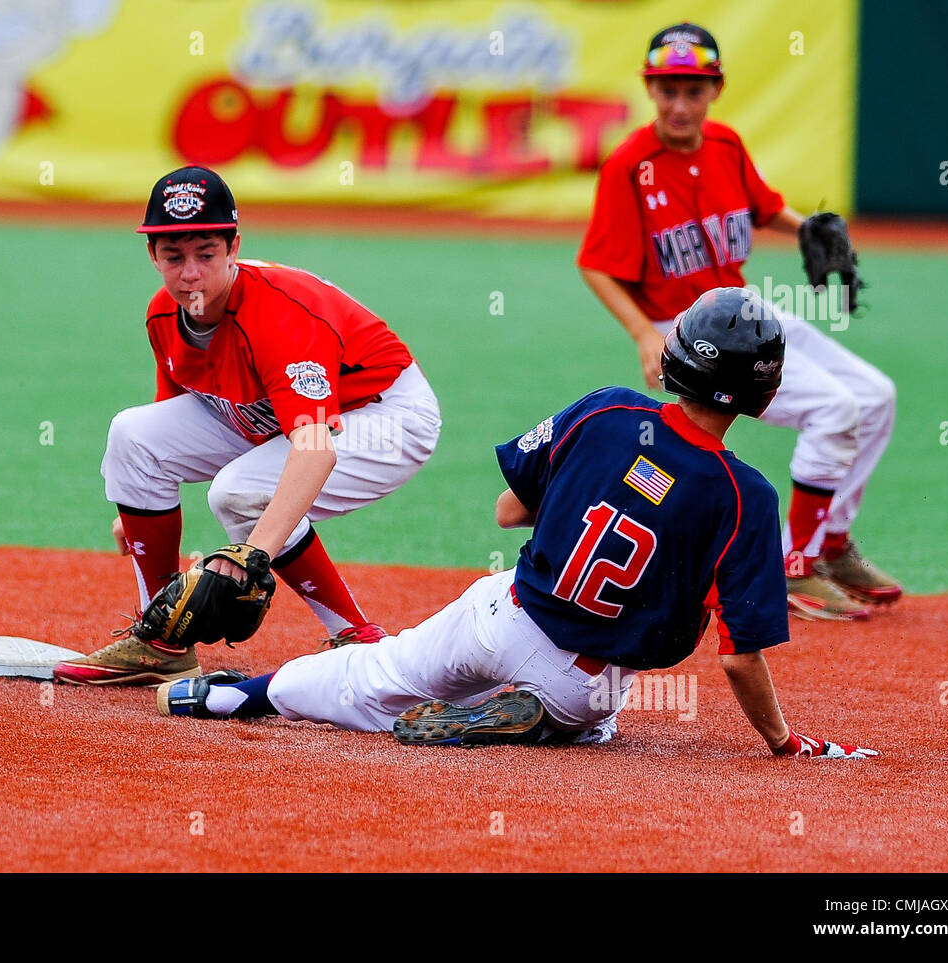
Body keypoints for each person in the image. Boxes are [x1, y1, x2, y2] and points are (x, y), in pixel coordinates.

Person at [153, 288, 879, 760]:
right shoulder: (743, 495)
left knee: (375, 674)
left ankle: (229, 694)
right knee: (598, 721)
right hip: (583, 678)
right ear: (764, 391)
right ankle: (542, 718)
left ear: (676, 356)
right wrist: (784, 742)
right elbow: (739, 656)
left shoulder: (606, 407)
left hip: (500, 613)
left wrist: (593, 489)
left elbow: (508, 510)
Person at [54, 166, 442, 685]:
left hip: (381, 414)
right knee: (132, 434)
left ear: (234, 246)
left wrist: (253, 553)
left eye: (206, 254)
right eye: (173, 256)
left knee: (238, 492)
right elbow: (177, 398)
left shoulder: (281, 316)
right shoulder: (163, 314)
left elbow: (316, 449)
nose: (189, 272)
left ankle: (357, 636)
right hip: (262, 409)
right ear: (153, 256)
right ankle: (160, 639)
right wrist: (138, 503)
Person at [577, 21, 900, 621]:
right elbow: (596, 264)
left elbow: (764, 205)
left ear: (715, 89)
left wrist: (808, 228)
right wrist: (645, 334)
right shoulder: (630, 165)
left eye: (693, 90)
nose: (679, 103)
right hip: (688, 326)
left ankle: (829, 544)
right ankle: (792, 566)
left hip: (741, 310)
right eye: (667, 89)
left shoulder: (724, 145)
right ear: (650, 88)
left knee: (876, 396)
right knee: (835, 410)